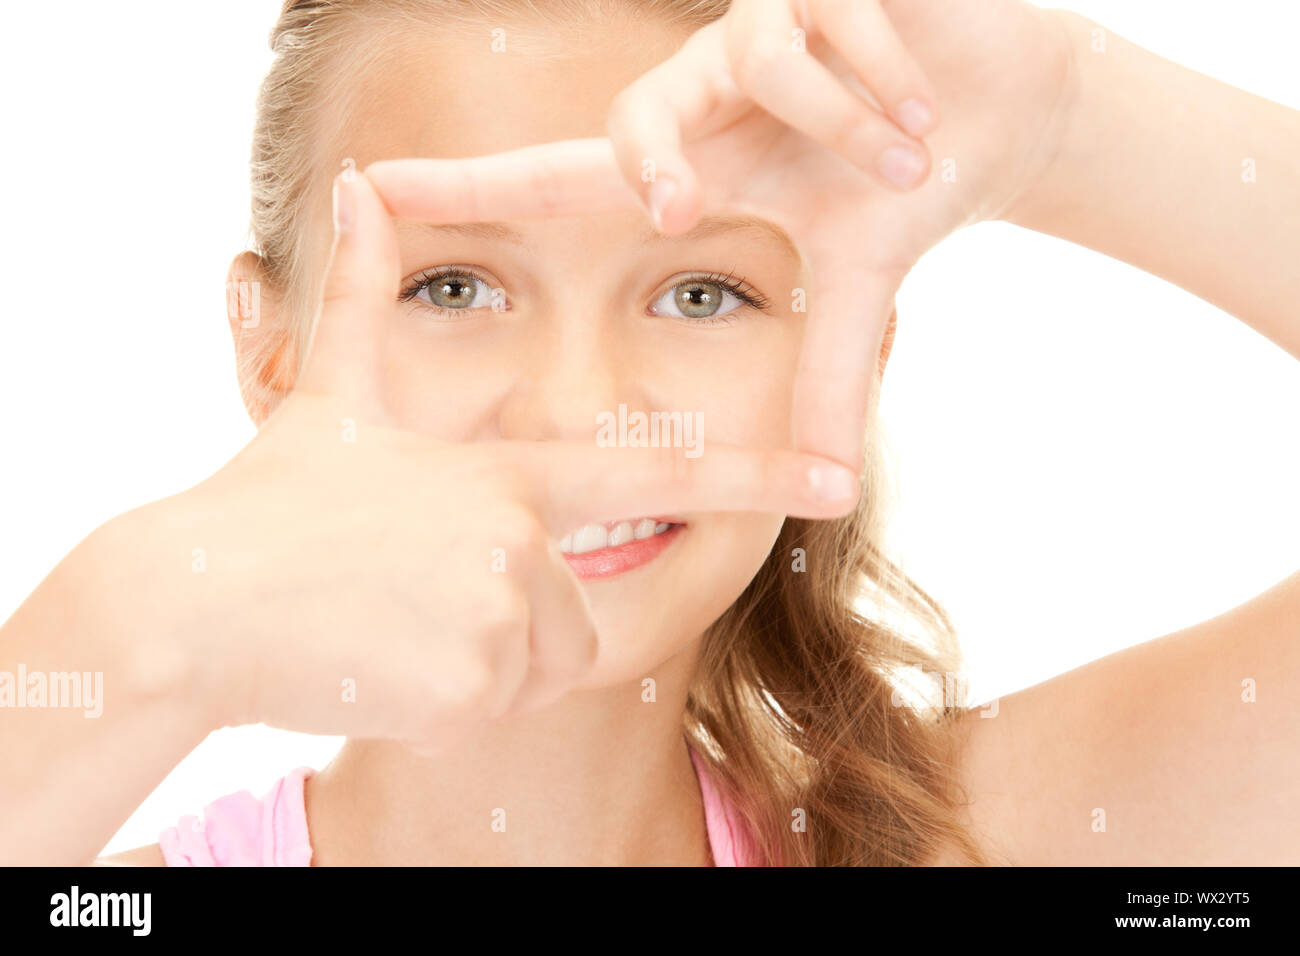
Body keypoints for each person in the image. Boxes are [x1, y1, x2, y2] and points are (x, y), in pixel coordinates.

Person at [3, 0, 1297, 866]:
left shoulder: (973, 844)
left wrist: (1071, 122)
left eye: (700, 292)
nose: (576, 410)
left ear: (849, 349)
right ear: (271, 351)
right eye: (452, 287)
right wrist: (127, 628)